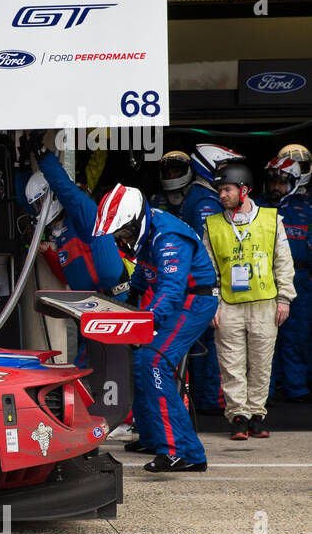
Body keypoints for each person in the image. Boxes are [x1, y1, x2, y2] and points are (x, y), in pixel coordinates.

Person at [93, 184, 218, 473]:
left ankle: (183, 452)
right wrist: (129, 302)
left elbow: (171, 290)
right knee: (138, 365)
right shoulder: (149, 230)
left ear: (135, 221)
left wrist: (146, 323)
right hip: (178, 299)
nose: (120, 239)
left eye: (122, 233)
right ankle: (153, 438)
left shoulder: (169, 236)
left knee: (154, 363)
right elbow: (144, 275)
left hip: (195, 301)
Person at [201, 161, 296, 440]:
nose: (222, 195)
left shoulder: (271, 219)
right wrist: (212, 303)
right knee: (230, 364)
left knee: (261, 363)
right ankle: (238, 416)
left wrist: (285, 299)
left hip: (265, 302)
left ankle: (257, 414)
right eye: (220, 190)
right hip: (228, 303)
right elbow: (209, 269)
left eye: (227, 189)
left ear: (244, 190)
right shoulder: (213, 224)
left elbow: (283, 263)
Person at [178, 143, 245, 414]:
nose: (228, 174)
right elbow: (210, 249)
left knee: (204, 343)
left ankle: (206, 401)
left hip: (195, 284)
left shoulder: (196, 195)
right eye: (223, 168)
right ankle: (213, 402)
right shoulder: (206, 202)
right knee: (217, 345)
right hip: (206, 284)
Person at [27, 150, 129, 298]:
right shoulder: (61, 232)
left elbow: (66, 190)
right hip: (90, 307)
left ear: (54, 196)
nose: (40, 209)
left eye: (40, 202)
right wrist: (48, 253)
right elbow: (66, 276)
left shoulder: (86, 216)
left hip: (118, 302)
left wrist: (44, 157)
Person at [262, 155, 312, 402]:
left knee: (297, 335)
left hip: (300, 279)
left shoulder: (306, 208)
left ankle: (296, 387)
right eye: (271, 181)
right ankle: (266, 391)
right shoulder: (257, 208)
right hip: (264, 279)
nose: (275, 187)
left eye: (281, 182)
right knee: (264, 337)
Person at [150, 150, 193, 217]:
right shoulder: (156, 199)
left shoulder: (196, 196)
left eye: (176, 171)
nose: (172, 176)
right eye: (168, 173)